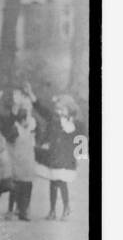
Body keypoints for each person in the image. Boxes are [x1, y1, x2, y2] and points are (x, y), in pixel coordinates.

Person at [24, 84, 85, 221]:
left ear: (70, 109)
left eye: (62, 109)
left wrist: (80, 156)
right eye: (57, 109)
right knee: (53, 181)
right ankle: (52, 210)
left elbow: (82, 139)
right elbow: (42, 110)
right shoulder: (54, 120)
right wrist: (32, 96)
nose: (59, 111)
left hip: (67, 158)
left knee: (62, 182)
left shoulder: (77, 124)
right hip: (54, 155)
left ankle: (66, 207)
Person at [5, 97, 37, 221]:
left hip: (28, 164)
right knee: (15, 189)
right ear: (22, 120)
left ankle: (24, 211)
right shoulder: (15, 129)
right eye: (26, 120)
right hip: (17, 164)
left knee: (27, 188)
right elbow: (8, 142)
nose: (28, 122)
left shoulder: (30, 130)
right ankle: (10, 210)